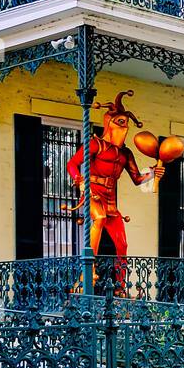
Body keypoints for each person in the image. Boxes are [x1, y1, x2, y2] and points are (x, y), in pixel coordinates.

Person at [66, 90, 163, 291]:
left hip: (110, 200)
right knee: (99, 218)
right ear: (109, 122)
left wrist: (154, 173)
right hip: (92, 193)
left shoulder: (125, 154)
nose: (125, 127)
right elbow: (72, 164)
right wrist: (79, 181)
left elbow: (137, 179)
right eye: (120, 122)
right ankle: (87, 271)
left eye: (126, 123)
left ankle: (120, 284)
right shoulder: (96, 144)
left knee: (122, 244)